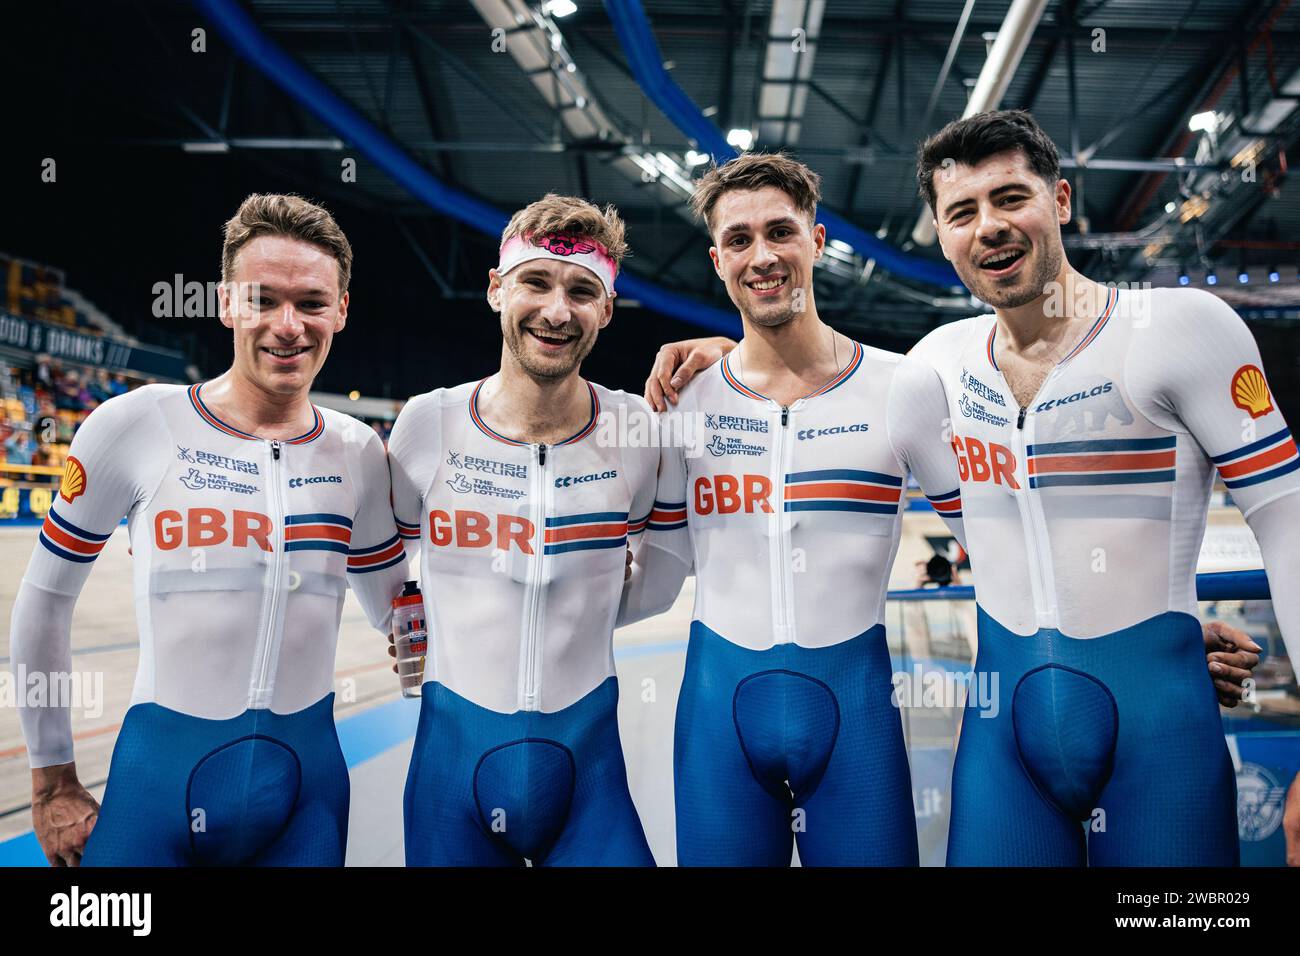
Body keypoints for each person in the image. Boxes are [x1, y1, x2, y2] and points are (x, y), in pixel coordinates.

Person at [646, 116, 1281, 866]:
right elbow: (1000, 538)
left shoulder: (927, 378)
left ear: (1061, 199)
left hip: (1143, 723)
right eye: (962, 211)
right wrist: (725, 362)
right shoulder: (915, 374)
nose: (989, 226)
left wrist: (1152, 634)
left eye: (1010, 197)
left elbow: (1285, 522)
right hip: (969, 743)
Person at [8, 194, 408, 866]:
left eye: (311, 302)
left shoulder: (358, 450)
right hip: (156, 787)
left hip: (305, 797)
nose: (288, 325)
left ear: (341, 309)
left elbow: (396, 612)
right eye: (262, 300)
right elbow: (45, 600)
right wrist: (51, 781)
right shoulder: (136, 425)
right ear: (225, 303)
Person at [617, 154, 966, 865]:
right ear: (718, 261)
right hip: (719, 725)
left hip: (856, 724)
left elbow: (993, 539)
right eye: (739, 240)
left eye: (781, 231)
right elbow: (656, 577)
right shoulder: (684, 401)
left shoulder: (902, 387)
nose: (763, 256)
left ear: (818, 239)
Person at [388, 194, 658, 866]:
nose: (557, 311)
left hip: (589, 783)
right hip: (452, 781)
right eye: (535, 282)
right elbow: (381, 566)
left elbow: (662, 575)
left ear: (606, 309)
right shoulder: (429, 422)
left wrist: (588, 600)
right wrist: (413, 626)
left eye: (582, 291)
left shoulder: (636, 430)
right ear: (496, 290)